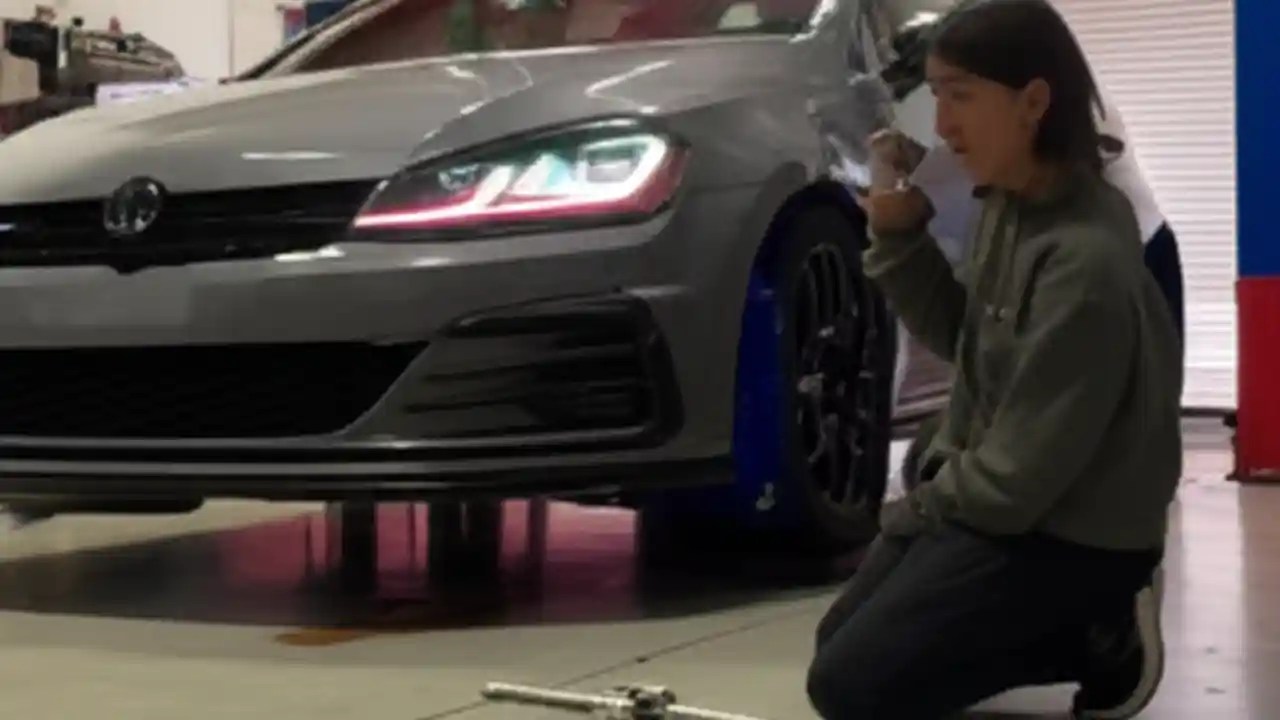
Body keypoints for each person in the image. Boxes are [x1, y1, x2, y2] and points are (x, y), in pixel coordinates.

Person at [805, 1, 1183, 719]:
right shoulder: (1009, 204)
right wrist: (902, 238)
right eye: (938, 96)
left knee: (851, 688)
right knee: (837, 646)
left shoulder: (1085, 264)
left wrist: (912, 510)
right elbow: (969, 340)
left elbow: (1015, 483)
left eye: (962, 97)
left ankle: (1097, 630)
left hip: (1072, 531)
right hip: (1013, 499)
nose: (942, 125)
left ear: (1034, 102)